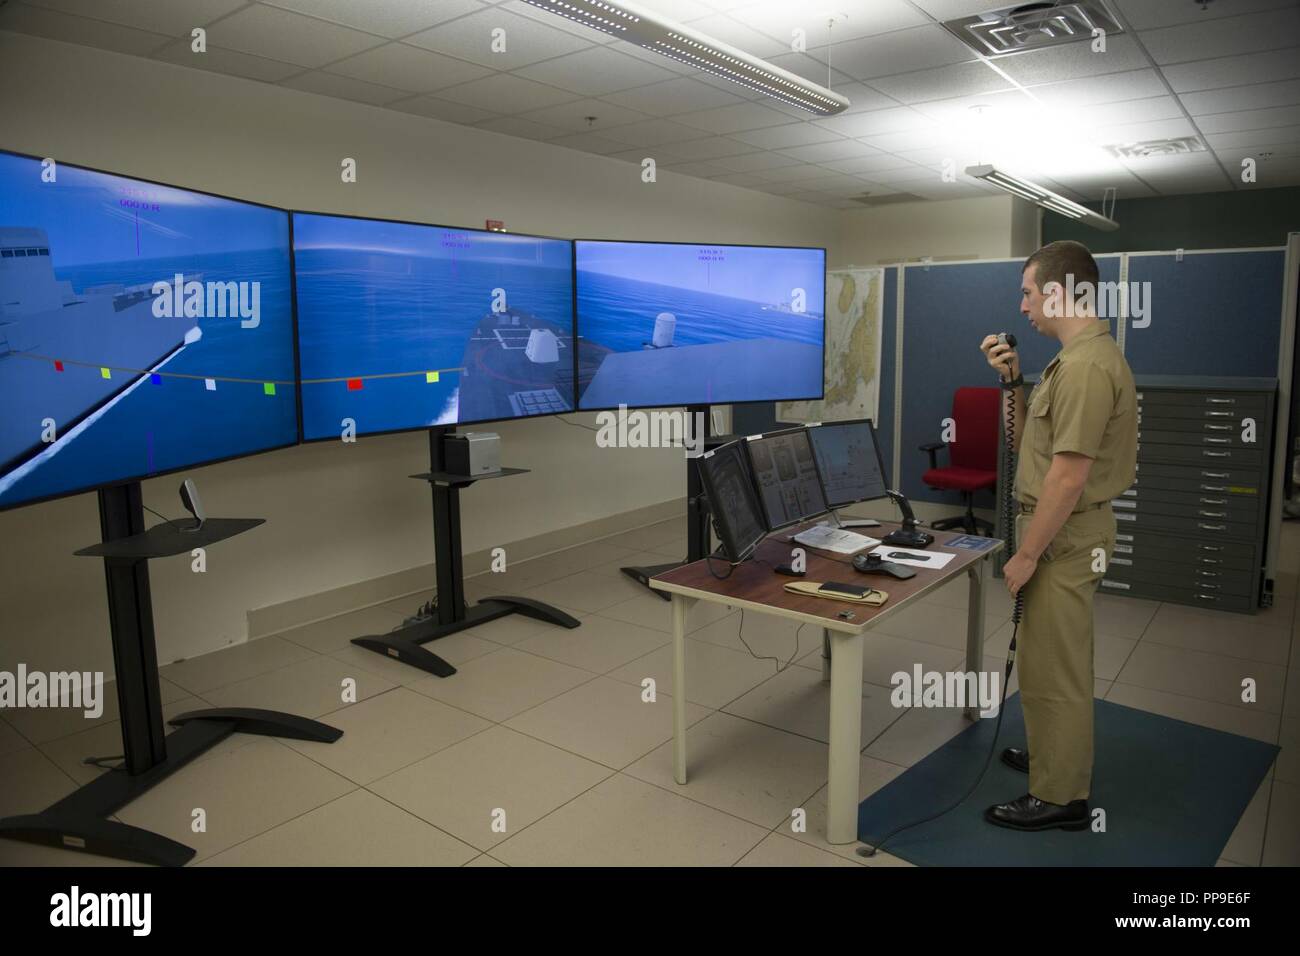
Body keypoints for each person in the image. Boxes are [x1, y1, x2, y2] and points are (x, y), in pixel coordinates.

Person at [979, 240, 1138, 832]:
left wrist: (1024, 554)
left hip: (1062, 535)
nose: (1022, 307)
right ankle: (1052, 757)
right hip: (1057, 530)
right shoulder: (1068, 362)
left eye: (1027, 292)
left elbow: (1068, 479)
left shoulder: (1087, 369)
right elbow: (1029, 447)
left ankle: (1062, 795)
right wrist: (1011, 382)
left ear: (1055, 291)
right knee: (1044, 664)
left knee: (1058, 665)